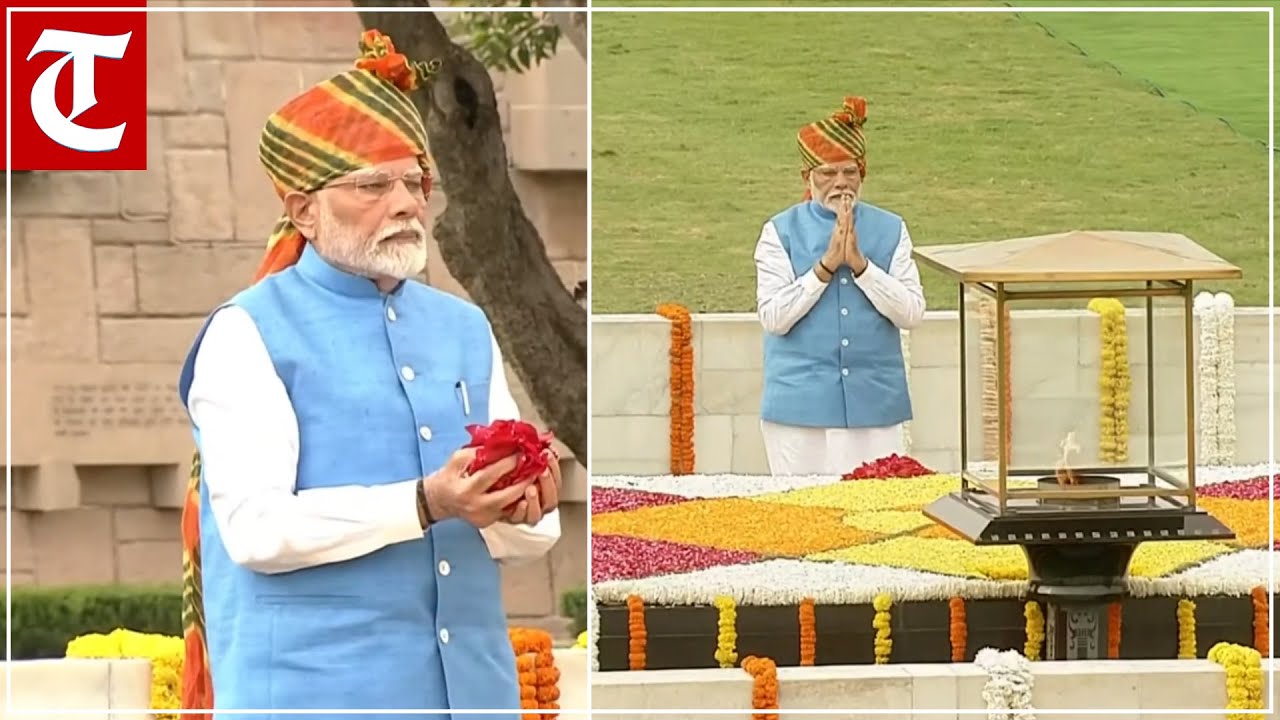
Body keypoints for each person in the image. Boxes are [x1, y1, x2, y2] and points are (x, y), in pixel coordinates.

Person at [175, 30, 561, 719]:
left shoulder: (462, 328)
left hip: (472, 696)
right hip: (314, 697)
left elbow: (513, 541)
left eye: (415, 181)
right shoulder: (248, 332)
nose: (407, 202)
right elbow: (257, 530)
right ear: (302, 209)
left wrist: (523, 509)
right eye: (373, 185)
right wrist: (427, 502)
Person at [754, 95, 927, 477]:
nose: (840, 184)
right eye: (827, 173)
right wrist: (825, 268)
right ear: (807, 178)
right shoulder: (778, 232)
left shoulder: (891, 228)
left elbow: (912, 312)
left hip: (875, 411)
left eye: (849, 172)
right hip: (799, 412)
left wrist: (863, 268)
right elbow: (773, 317)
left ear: (862, 174)